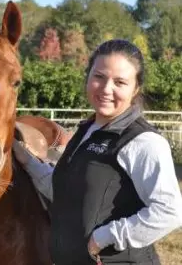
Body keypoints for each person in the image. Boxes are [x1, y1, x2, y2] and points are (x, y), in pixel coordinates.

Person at [12, 39, 182, 265]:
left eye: (120, 82)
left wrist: (105, 237)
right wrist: (29, 162)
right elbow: (64, 191)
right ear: (88, 77)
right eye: (99, 77)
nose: (106, 89)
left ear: (136, 89)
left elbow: (169, 211)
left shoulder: (143, 141)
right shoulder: (86, 131)